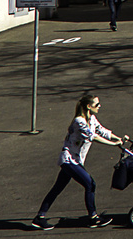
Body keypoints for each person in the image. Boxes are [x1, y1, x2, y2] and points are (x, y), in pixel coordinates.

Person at [29, 92, 126, 230]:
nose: (99, 106)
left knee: (57, 188)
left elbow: (102, 131)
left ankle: (39, 217)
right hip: (69, 160)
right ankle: (93, 218)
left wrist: (118, 139)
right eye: (97, 104)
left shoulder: (92, 118)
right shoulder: (79, 122)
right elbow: (93, 136)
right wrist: (113, 144)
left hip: (76, 161)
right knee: (90, 184)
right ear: (88, 106)